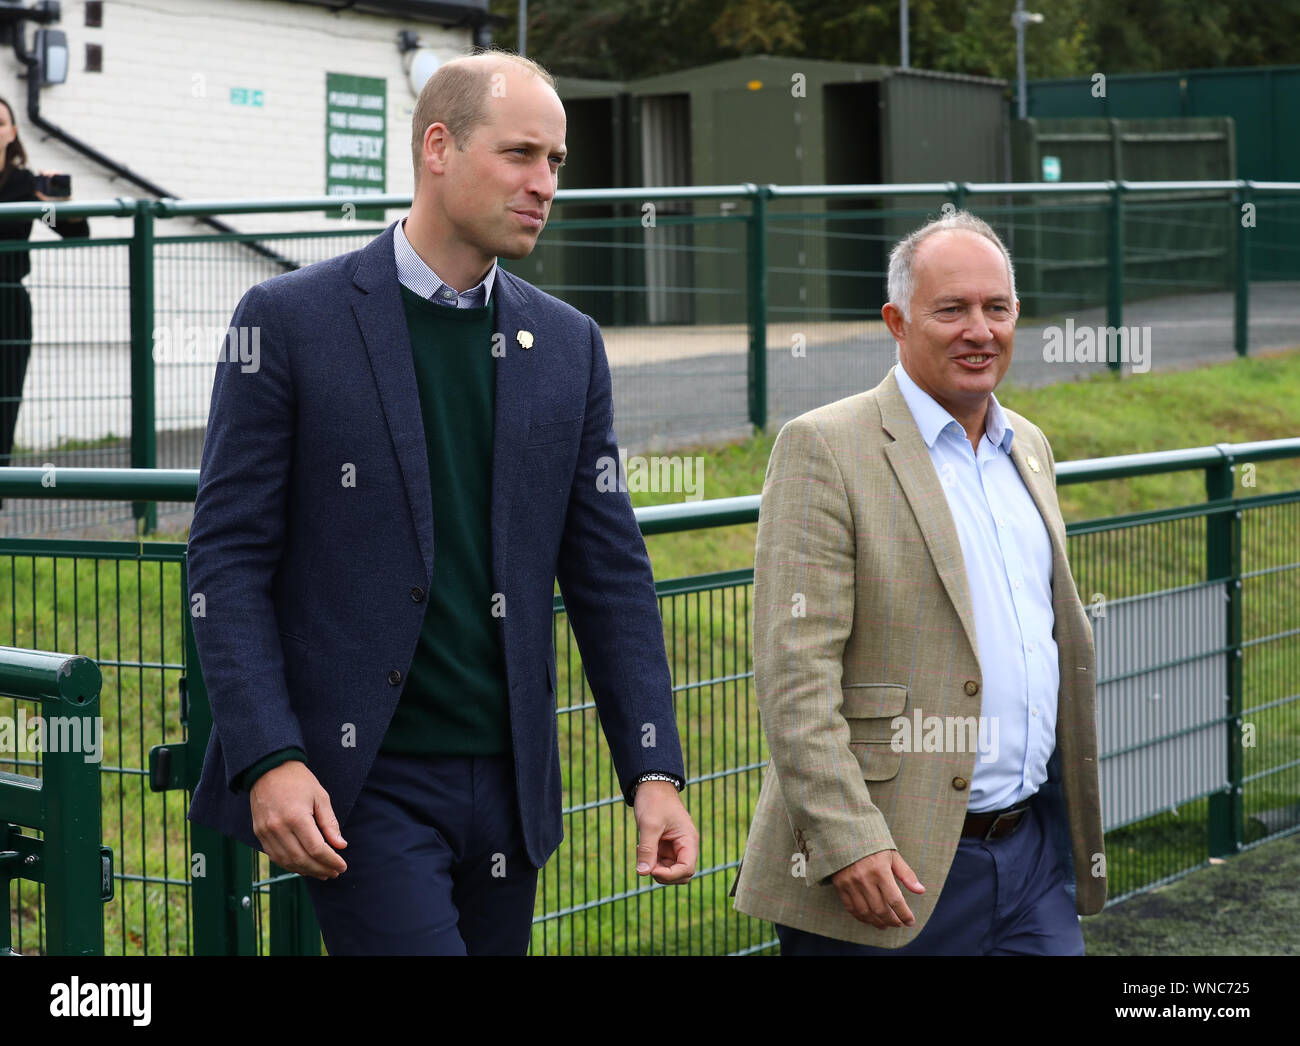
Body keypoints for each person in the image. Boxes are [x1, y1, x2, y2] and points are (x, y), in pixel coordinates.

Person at [186, 50, 698, 955]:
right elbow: (225, 560)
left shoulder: (569, 345)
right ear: (438, 148)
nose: (545, 184)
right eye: (520, 154)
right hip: (359, 786)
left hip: (511, 793)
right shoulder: (289, 321)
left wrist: (653, 769)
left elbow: (610, 574)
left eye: (555, 162)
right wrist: (270, 755)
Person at [731, 211, 1106, 955]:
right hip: (888, 870)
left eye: (996, 308)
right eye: (951, 309)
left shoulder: (1028, 446)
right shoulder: (825, 447)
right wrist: (848, 839)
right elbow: (793, 671)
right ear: (897, 322)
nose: (979, 330)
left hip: (1030, 856)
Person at [0, 96, 89, 481]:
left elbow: (75, 233)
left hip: (7, 305)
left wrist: (59, 203)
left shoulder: (24, 183)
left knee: (4, 403)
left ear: (12, 133)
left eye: (0, 124)